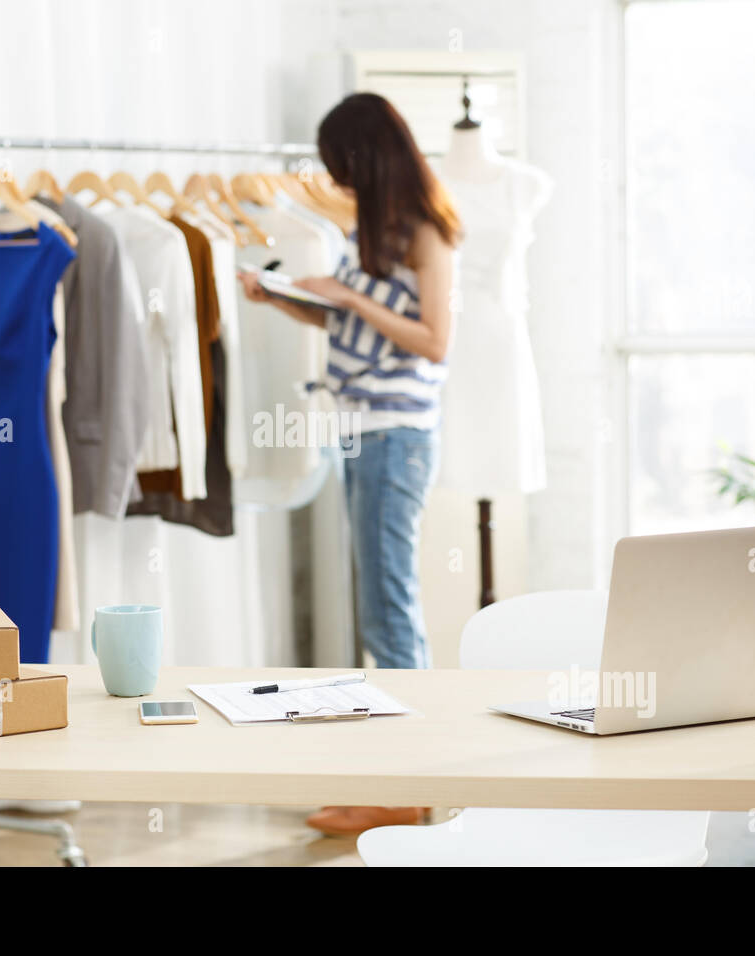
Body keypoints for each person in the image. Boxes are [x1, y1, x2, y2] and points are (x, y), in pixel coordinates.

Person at [239, 92, 460, 836]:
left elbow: (432, 341)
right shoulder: (371, 229)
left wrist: (346, 298)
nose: (336, 182)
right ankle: (392, 780)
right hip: (362, 431)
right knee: (379, 608)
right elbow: (358, 325)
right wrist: (284, 299)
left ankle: (407, 787)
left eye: (343, 167)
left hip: (398, 436)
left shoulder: (428, 232)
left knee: (391, 614)